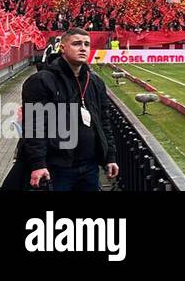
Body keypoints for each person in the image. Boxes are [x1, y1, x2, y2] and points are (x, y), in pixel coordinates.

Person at [18, 28, 119, 191]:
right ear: (63, 48)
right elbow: (34, 126)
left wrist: (110, 157)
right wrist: (38, 164)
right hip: (56, 168)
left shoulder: (95, 82)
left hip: (90, 167)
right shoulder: (41, 81)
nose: (83, 48)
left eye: (86, 44)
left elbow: (104, 122)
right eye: (76, 44)